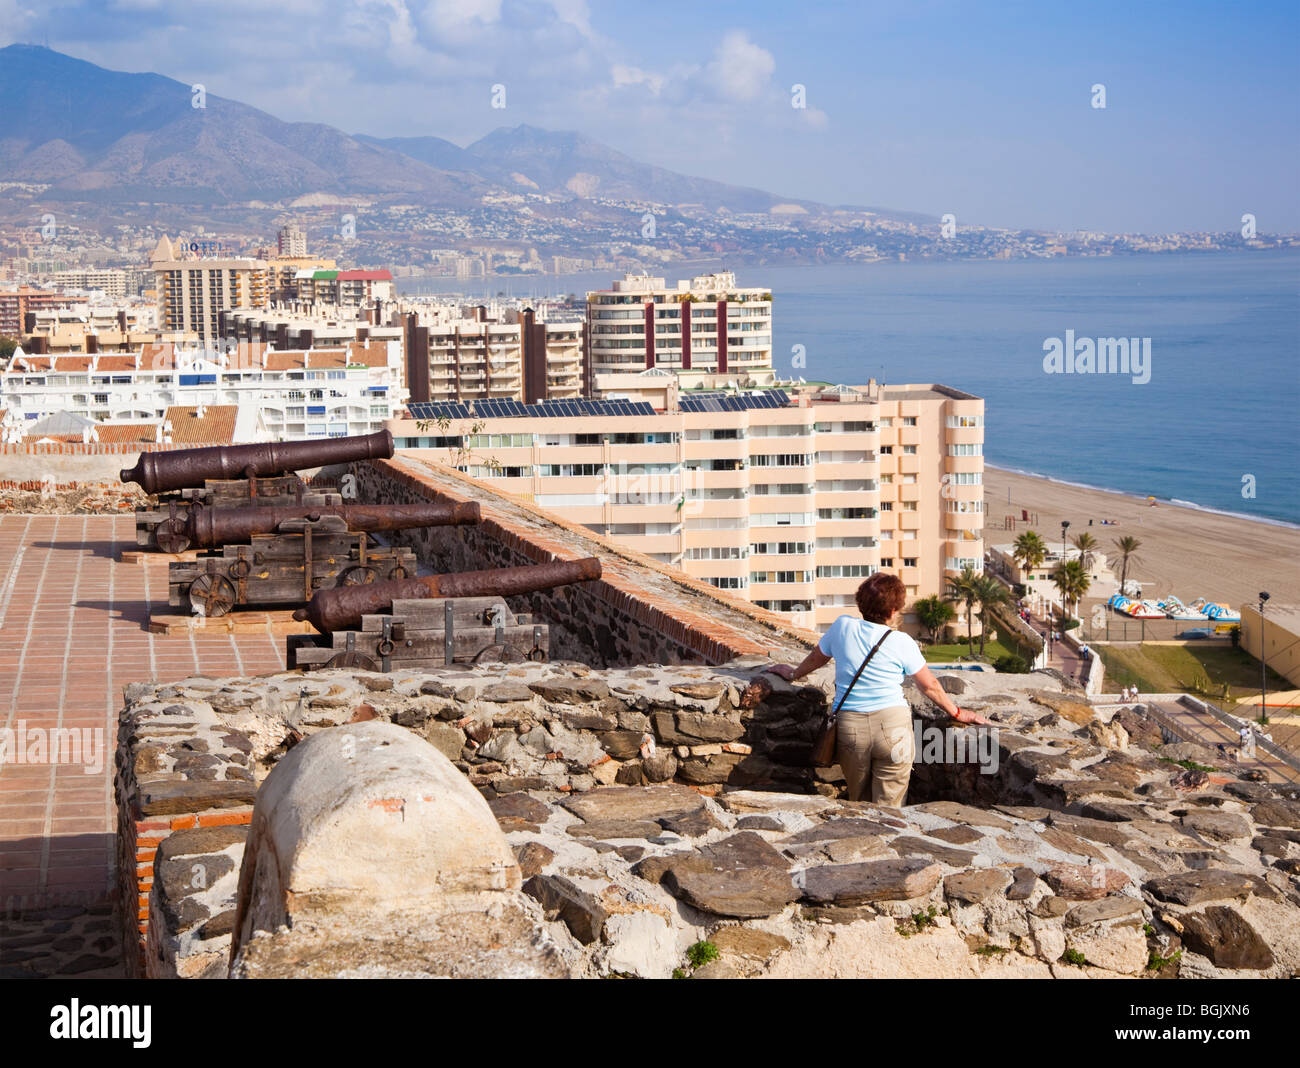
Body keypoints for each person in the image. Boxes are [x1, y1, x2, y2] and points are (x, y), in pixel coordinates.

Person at [765, 572, 987, 806]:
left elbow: (816, 658)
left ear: (861, 602)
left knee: (859, 802)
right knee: (890, 807)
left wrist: (792, 674)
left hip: (851, 726)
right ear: (893, 611)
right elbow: (929, 685)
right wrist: (958, 713)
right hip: (893, 726)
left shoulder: (842, 627)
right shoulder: (902, 642)